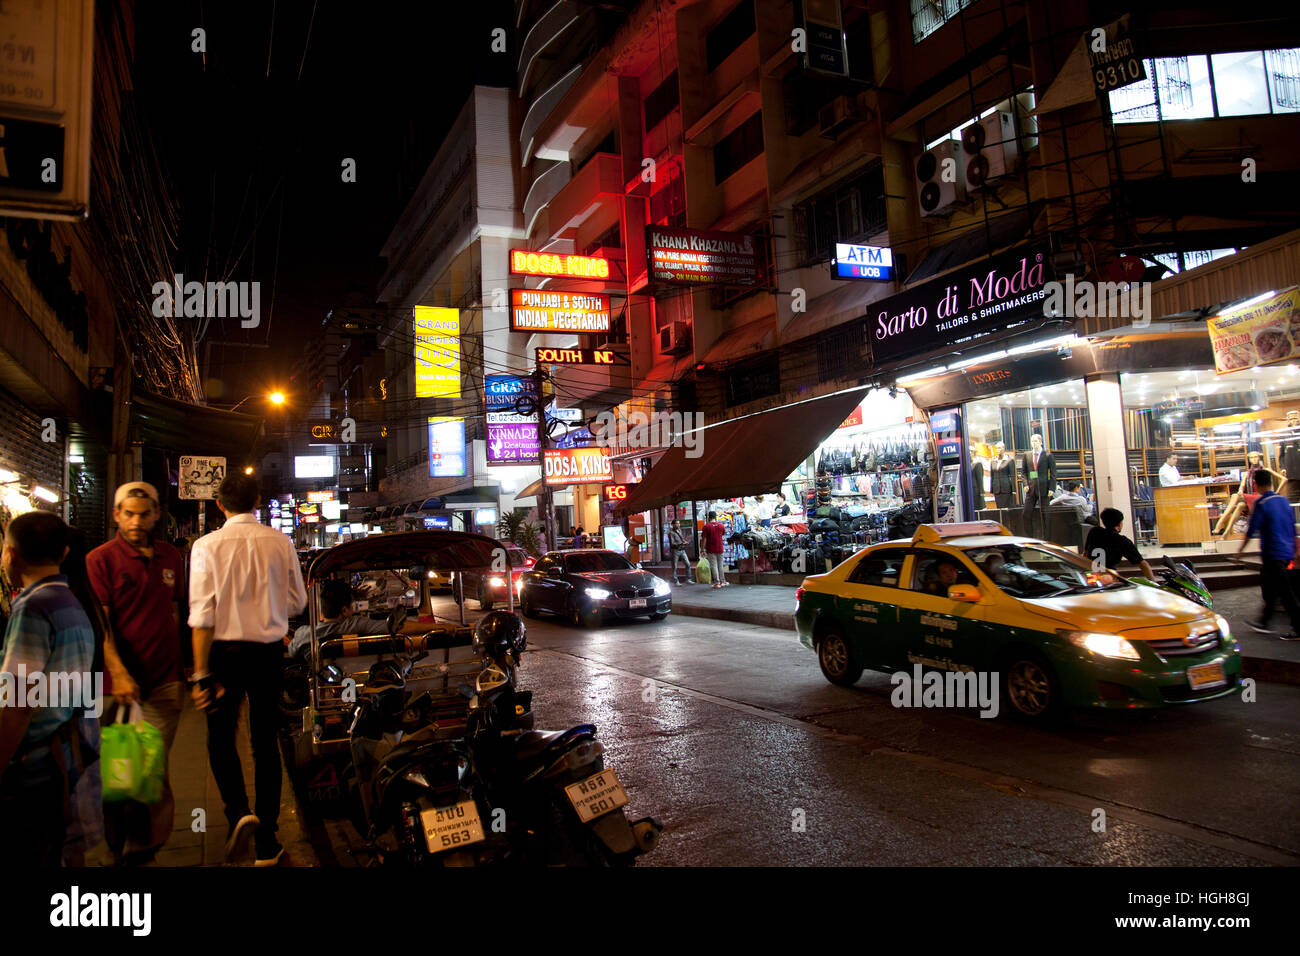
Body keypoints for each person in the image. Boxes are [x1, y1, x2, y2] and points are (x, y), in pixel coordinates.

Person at [189, 474, 308, 866]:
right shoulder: (281, 542)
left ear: (219, 505)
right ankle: (268, 841)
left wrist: (201, 673)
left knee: (220, 739)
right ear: (257, 500)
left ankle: (239, 812)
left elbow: (202, 616)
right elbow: (296, 603)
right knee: (264, 743)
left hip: (223, 655)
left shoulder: (205, 546)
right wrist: (266, 603)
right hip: (268, 653)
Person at [85, 482, 187, 866]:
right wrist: (120, 673)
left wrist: (186, 668)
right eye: (128, 513)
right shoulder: (100, 560)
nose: (136, 521)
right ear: (116, 514)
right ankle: (115, 845)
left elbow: (176, 613)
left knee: (151, 768)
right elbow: (102, 626)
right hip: (116, 689)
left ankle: (145, 849)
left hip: (164, 683)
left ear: (157, 514)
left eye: (144, 514)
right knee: (116, 771)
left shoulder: (171, 556)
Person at [0, 511, 97, 867]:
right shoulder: (72, 604)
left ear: (11, 554)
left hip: (31, 770)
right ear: (63, 551)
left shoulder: (33, 608)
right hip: (61, 763)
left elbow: (17, 705)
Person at [1235, 469, 1300, 640]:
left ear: (1256, 484)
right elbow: (1293, 528)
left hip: (1273, 553)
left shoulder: (1262, 503)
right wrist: (1295, 550)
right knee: (1271, 586)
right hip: (1286, 552)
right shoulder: (1284, 501)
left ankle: (1298, 628)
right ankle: (1264, 621)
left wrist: (1241, 550)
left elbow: (1251, 530)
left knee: (1286, 593)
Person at [288, 578, 389, 661]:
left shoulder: (303, 634)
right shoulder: (355, 625)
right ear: (344, 610)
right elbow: (391, 627)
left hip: (322, 682)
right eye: (352, 605)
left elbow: (291, 653)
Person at [1084, 508, 1155, 579]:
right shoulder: (1122, 541)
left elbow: (1086, 554)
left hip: (1091, 575)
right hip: (1108, 576)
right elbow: (1143, 564)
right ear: (1120, 523)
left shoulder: (1094, 532)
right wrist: (1154, 583)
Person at [702, 512, 727, 589]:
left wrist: (702, 549)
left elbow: (704, 539)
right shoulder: (721, 525)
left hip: (711, 549)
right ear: (715, 517)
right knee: (720, 565)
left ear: (709, 517)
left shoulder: (706, 526)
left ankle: (717, 582)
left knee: (714, 566)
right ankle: (723, 581)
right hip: (720, 548)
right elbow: (723, 533)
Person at [667, 520, 692, 585]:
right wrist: (681, 543)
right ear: (673, 524)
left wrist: (685, 542)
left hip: (682, 550)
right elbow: (672, 543)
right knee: (674, 566)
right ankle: (675, 581)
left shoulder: (679, 530)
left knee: (688, 564)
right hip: (675, 551)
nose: (678, 525)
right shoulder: (671, 533)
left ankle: (688, 579)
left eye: (679, 523)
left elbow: (681, 539)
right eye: (677, 523)